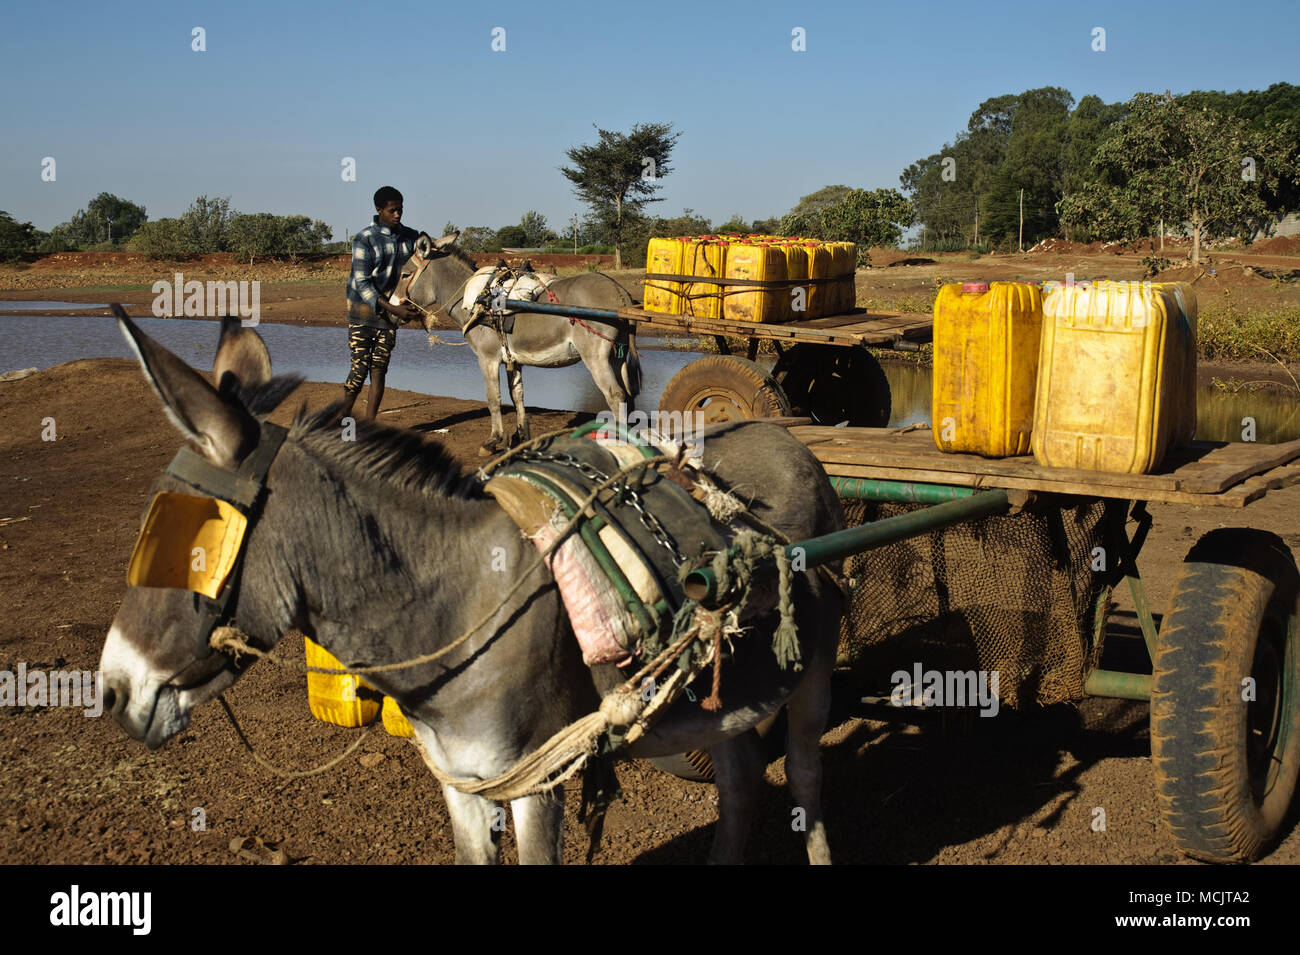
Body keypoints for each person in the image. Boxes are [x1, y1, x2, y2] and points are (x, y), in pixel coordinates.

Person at [340, 185, 423, 420]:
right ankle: (339, 423)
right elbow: (363, 283)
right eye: (392, 211)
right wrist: (394, 308)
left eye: (401, 210)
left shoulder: (410, 238)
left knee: (379, 370)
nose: (398, 215)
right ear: (379, 210)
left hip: (389, 315)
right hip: (362, 312)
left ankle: (368, 426)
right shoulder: (364, 239)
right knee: (358, 372)